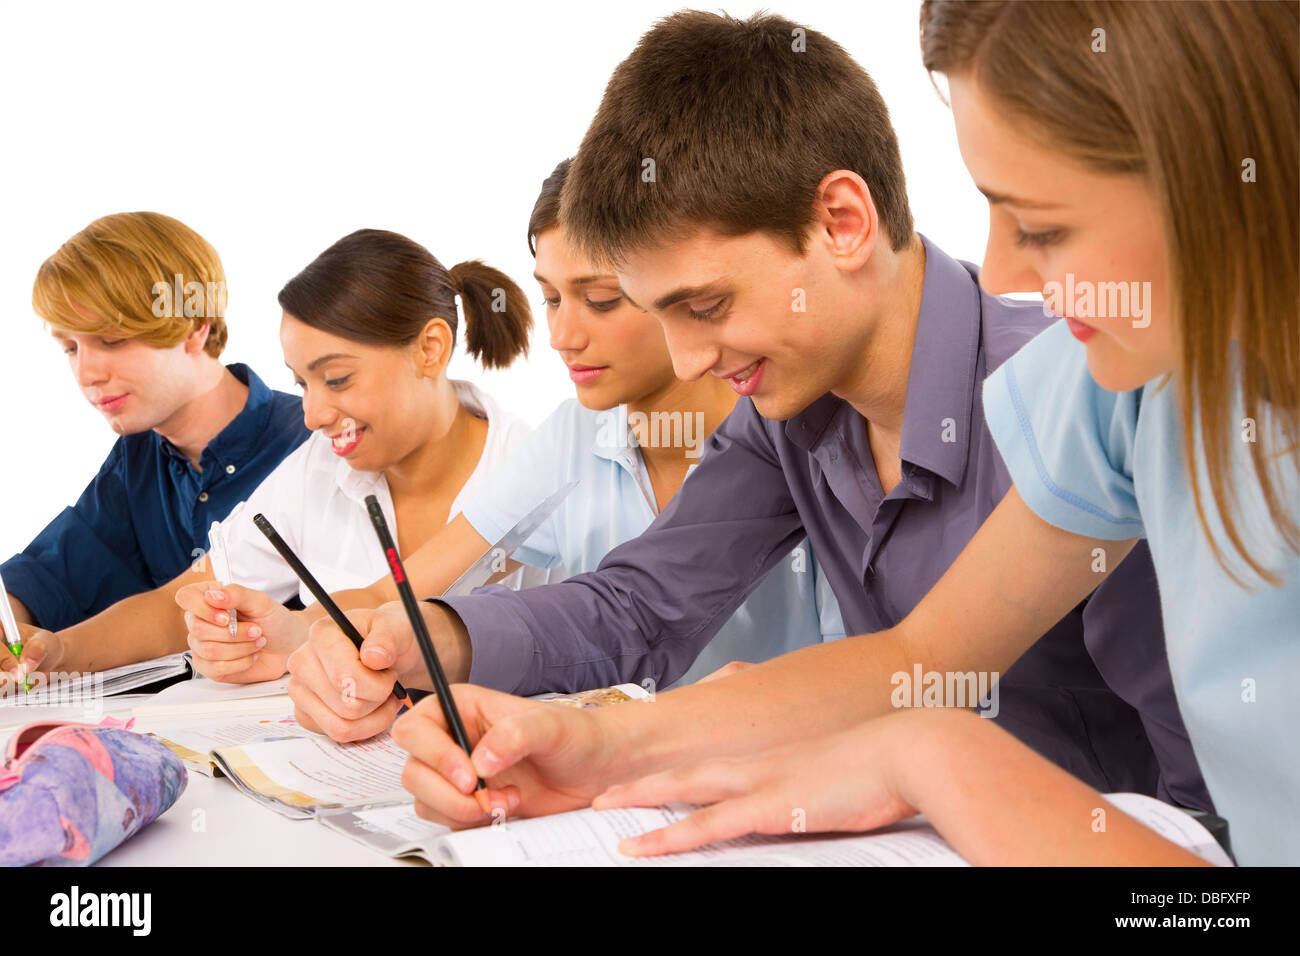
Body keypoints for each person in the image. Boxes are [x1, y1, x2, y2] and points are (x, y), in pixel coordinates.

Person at [401, 1, 1298, 865]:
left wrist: (927, 757)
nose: (1002, 266)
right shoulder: (1110, 391)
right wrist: (598, 744)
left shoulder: (1087, 368)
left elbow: (1200, 841)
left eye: (1045, 225)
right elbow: (921, 657)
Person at [259, 159, 843, 735]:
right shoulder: (573, 436)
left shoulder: (796, 426)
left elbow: (868, 671)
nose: (563, 338)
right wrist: (313, 640)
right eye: (553, 299)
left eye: (603, 299)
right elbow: (412, 591)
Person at [5, 228, 548, 683]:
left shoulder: (535, 469)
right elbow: (186, 594)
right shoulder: (317, 463)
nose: (312, 415)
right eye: (303, 384)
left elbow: (394, 602)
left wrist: (294, 634)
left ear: (431, 349)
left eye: (337, 378)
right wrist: (56, 654)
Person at [0, 211, 308, 661]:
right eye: (70, 347)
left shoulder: (314, 440)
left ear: (192, 327)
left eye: (111, 341)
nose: (87, 373)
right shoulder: (138, 458)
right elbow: (46, 577)